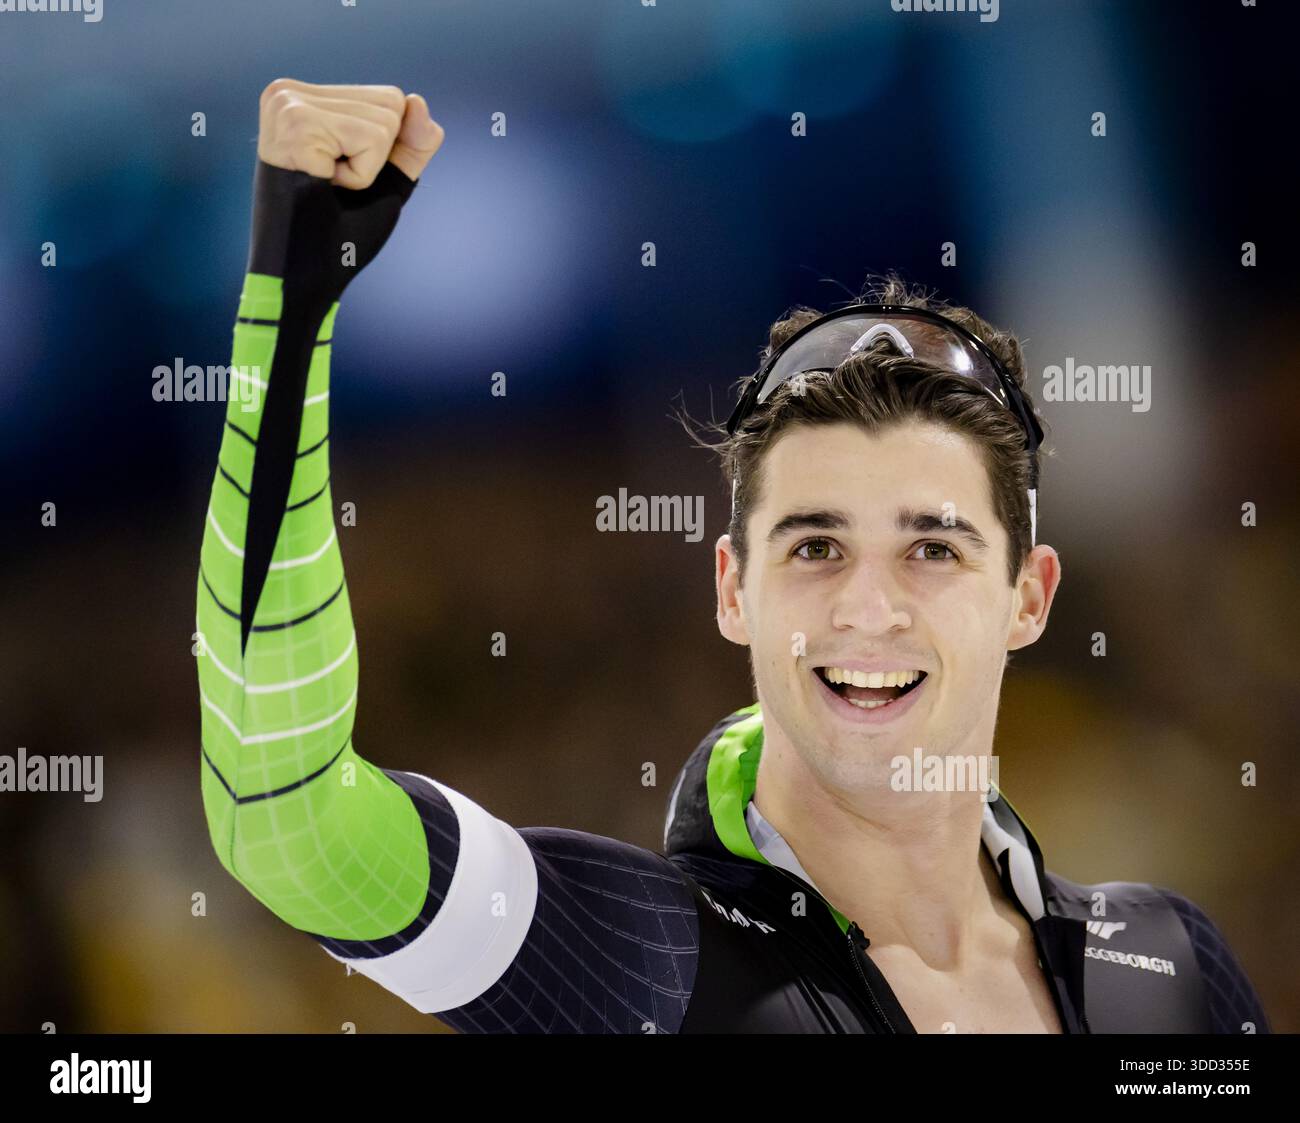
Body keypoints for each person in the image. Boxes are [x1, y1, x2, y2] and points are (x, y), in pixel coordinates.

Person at [195, 78, 1270, 1034]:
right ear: (732, 589)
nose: (867, 607)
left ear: (1029, 596)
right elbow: (289, 824)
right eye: (813, 545)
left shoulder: (1163, 969)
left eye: (932, 549)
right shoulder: (640, 961)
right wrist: (291, 307)